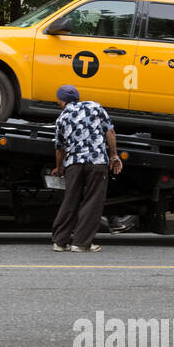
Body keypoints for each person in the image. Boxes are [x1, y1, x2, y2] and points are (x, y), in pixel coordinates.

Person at [49, 84, 123, 252]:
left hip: (74, 163)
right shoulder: (94, 106)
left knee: (70, 200)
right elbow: (110, 133)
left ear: (61, 101)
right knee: (92, 202)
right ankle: (81, 243)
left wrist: (59, 168)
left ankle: (60, 242)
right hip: (96, 162)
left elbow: (60, 149)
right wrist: (114, 156)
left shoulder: (61, 119)